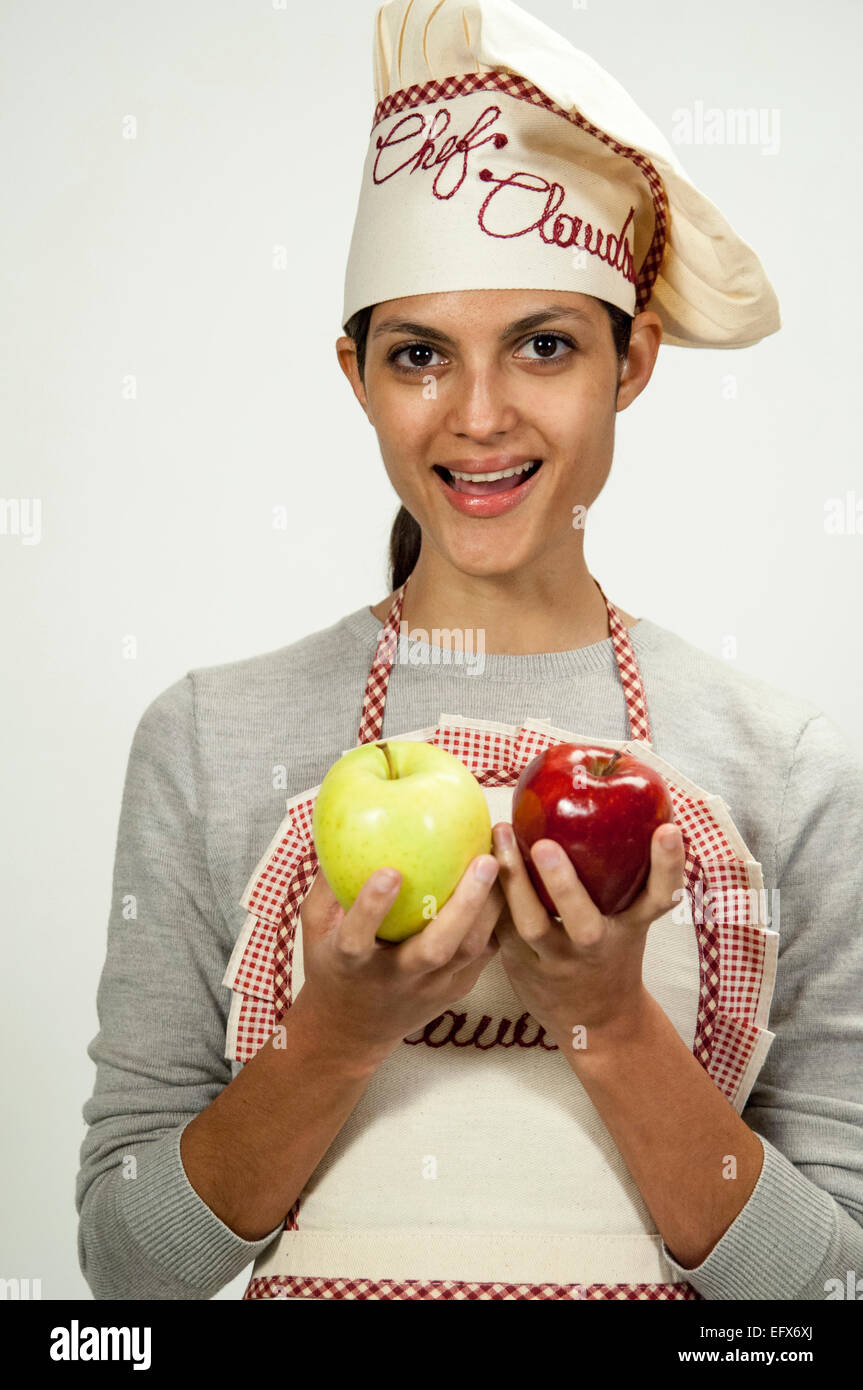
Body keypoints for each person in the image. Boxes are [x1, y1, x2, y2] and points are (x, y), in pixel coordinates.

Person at [77, 0, 863, 1301]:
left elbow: (830, 1294)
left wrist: (611, 1023)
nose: (480, 416)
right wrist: (334, 1036)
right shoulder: (210, 738)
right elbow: (129, 1271)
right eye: (420, 354)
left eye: (546, 345)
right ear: (357, 375)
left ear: (634, 362)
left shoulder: (783, 764)